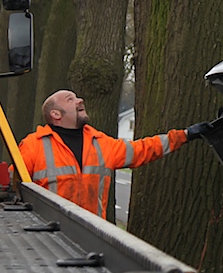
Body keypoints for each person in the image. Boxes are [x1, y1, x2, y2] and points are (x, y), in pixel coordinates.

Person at [18, 89, 211, 219]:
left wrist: (185, 135)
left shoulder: (102, 143)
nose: (80, 100)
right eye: (70, 99)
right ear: (56, 114)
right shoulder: (33, 146)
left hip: (91, 235)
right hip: (46, 237)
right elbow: (12, 187)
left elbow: (142, 149)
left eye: (77, 97)